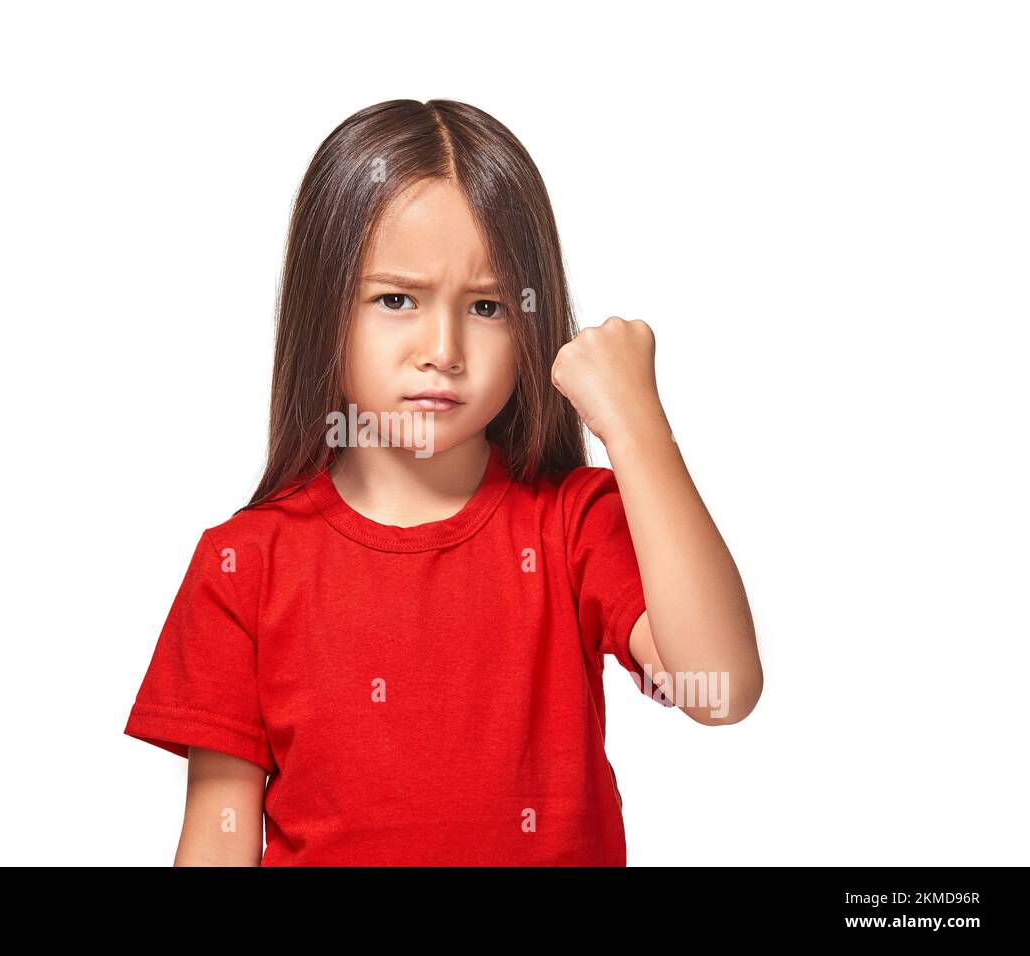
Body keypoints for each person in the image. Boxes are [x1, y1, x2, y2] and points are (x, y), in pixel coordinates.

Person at [124, 98, 762, 866]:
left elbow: (717, 690)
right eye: (397, 299)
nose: (443, 348)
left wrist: (635, 426)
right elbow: (219, 834)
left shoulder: (572, 526)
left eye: (486, 306)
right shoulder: (243, 564)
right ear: (323, 309)